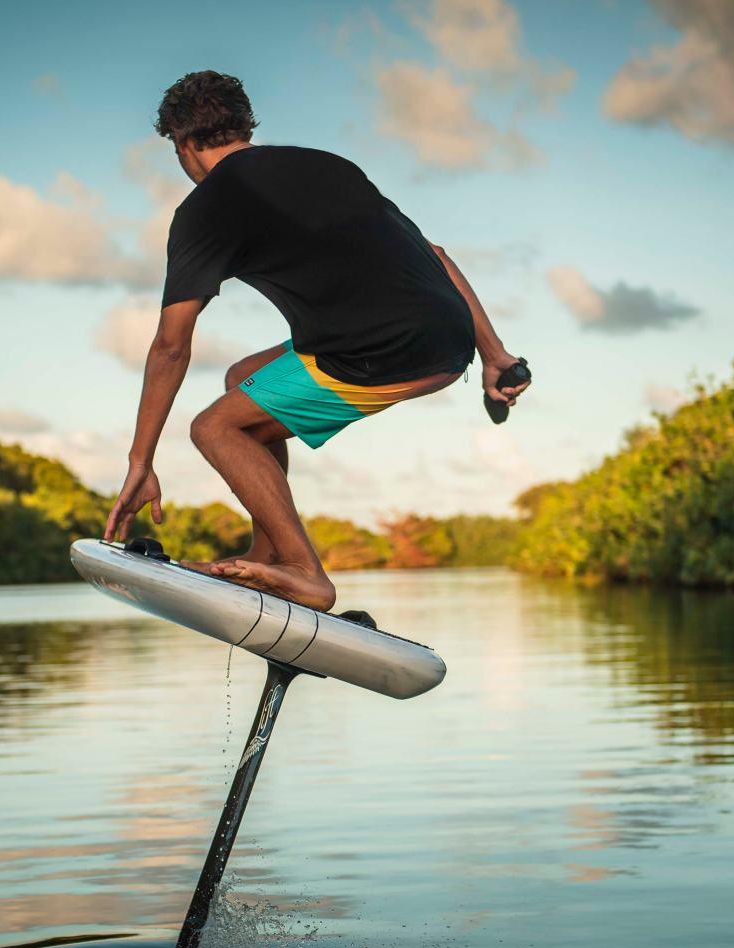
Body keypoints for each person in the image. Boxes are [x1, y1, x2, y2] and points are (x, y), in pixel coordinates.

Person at [104, 70, 529, 611]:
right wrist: (495, 356)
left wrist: (141, 460)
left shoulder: (206, 207)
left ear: (183, 145)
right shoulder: (326, 164)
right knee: (243, 381)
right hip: (448, 337)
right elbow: (437, 256)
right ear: (243, 125)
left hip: (382, 353)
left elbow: (170, 346)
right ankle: (272, 552)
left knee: (213, 428)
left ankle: (306, 574)